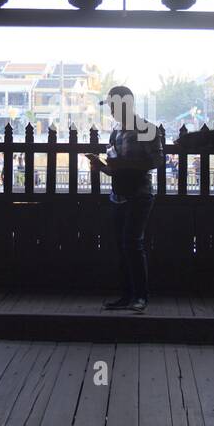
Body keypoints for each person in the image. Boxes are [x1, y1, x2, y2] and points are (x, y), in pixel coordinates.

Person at [88, 86, 164, 313]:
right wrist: (102, 167)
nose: (110, 110)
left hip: (139, 194)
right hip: (119, 194)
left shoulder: (146, 128)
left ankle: (140, 296)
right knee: (124, 247)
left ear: (126, 105)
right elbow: (115, 168)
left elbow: (158, 161)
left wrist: (122, 165)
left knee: (132, 244)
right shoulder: (116, 132)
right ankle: (128, 296)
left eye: (113, 105)